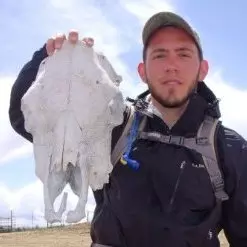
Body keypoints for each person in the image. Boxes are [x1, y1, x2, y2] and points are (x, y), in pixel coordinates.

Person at [9, 11, 247, 247]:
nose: (171, 66)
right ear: (142, 71)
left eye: (183, 54)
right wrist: (47, 58)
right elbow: (28, 120)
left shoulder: (229, 148)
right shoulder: (112, 126)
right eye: (159, 55)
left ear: (202, 69)